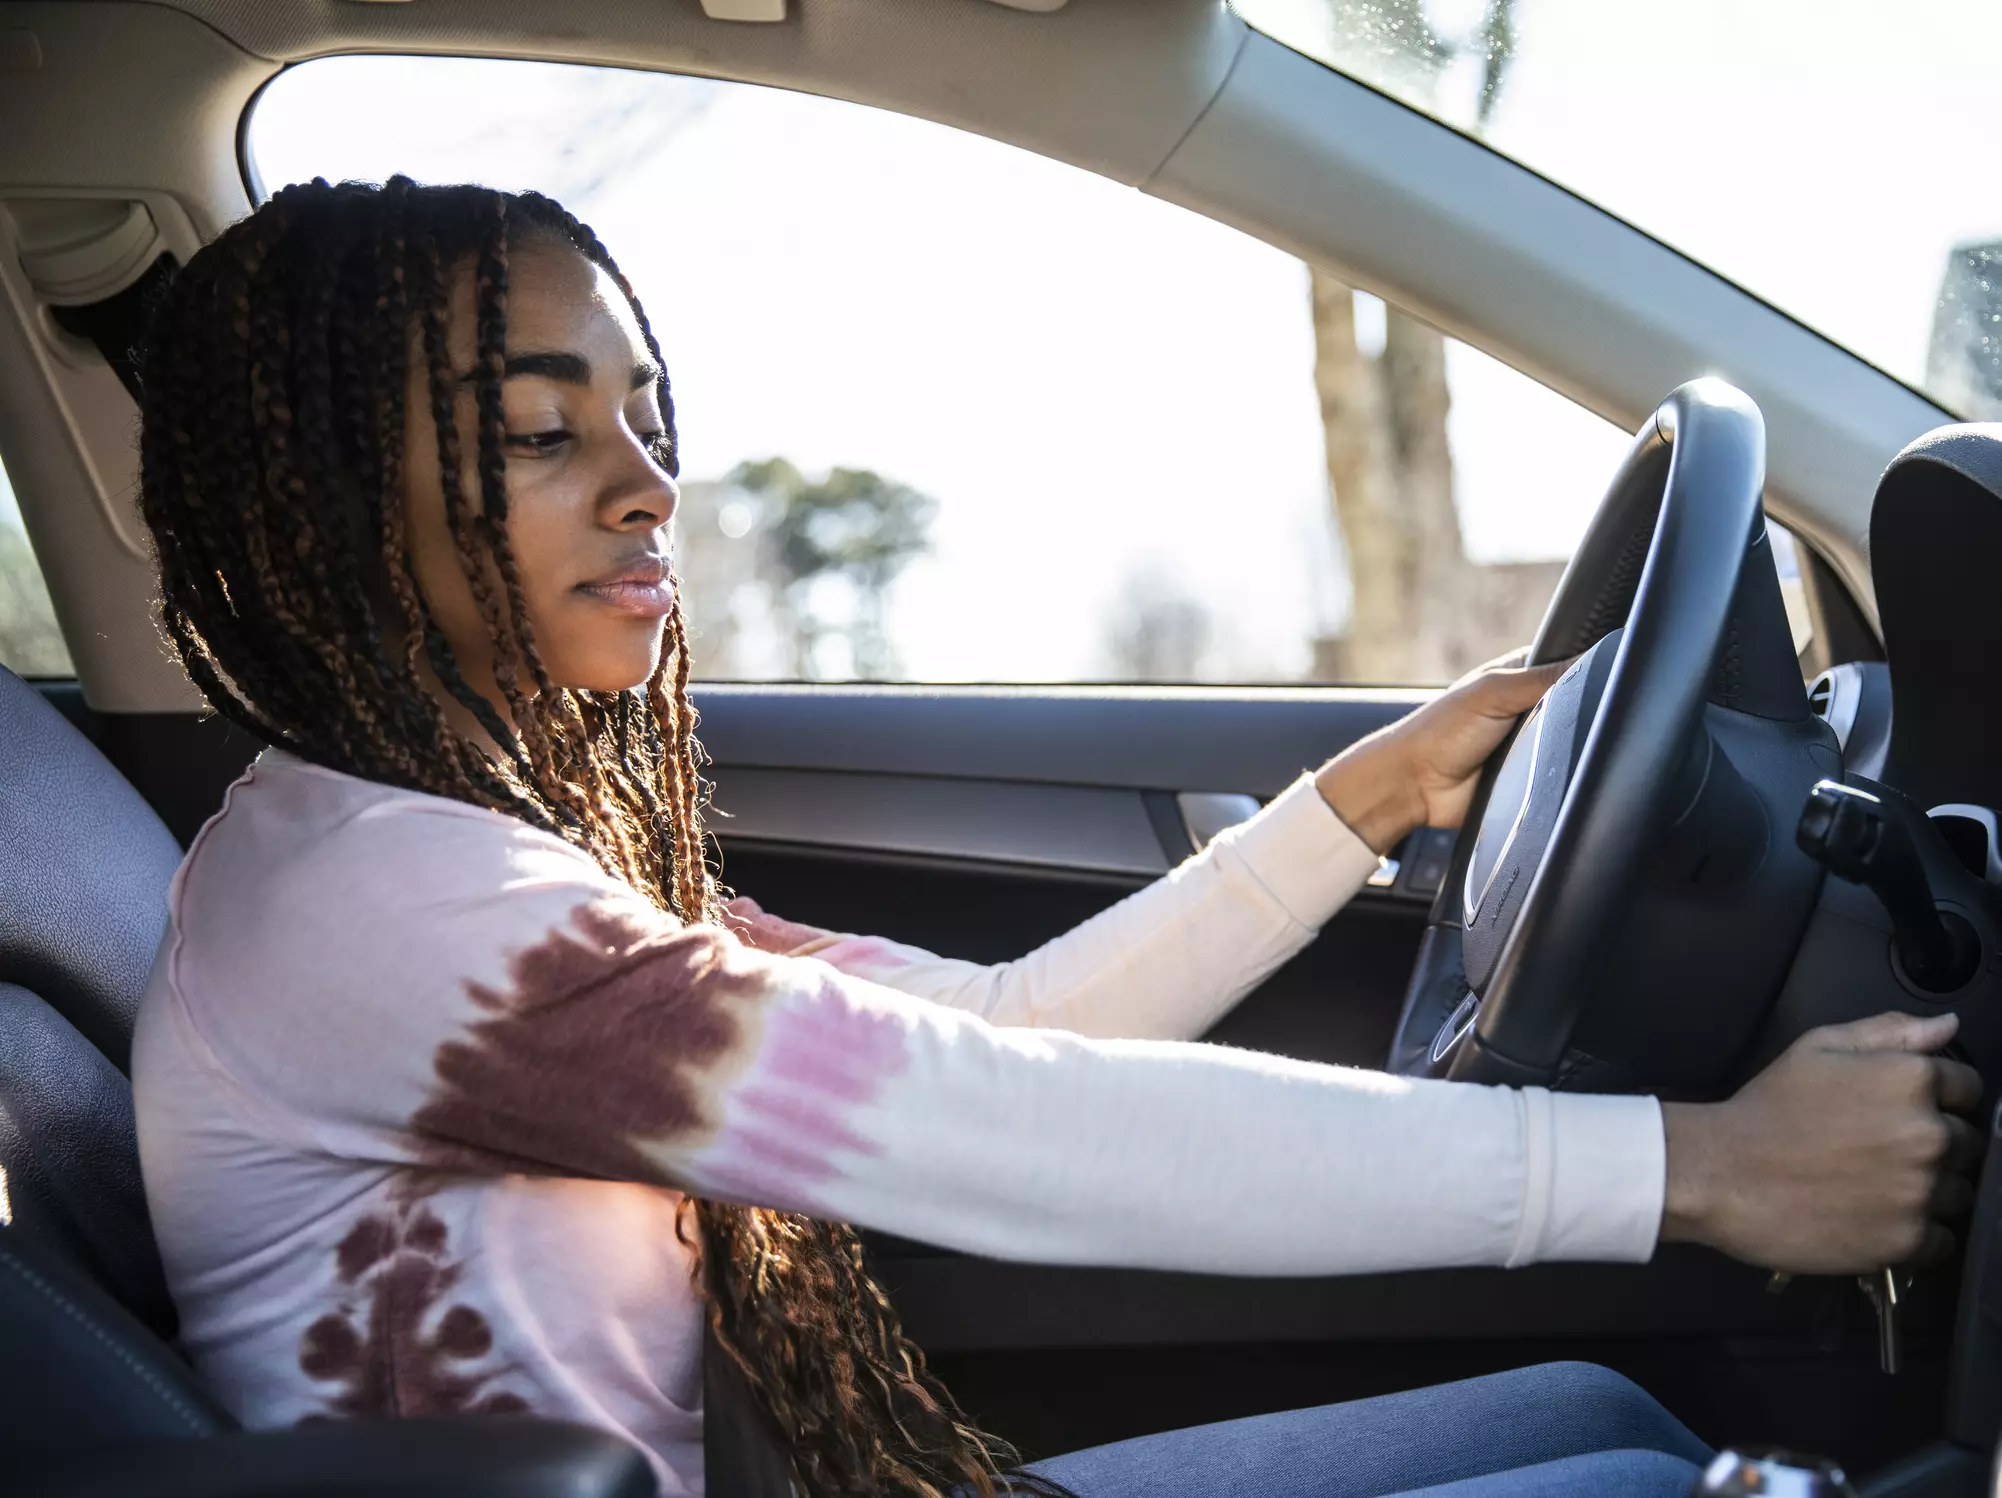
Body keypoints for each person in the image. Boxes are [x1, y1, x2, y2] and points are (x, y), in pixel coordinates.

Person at [129, 178, 1979, 1498]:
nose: (646, 479)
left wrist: (1361, 801)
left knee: (1604, 1418)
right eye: (540, 432)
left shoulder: (464, 849)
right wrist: (1695, 1169)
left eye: (647, 412)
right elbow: (1000, 1128)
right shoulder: (390, 906)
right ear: (323, 500)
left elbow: (995, 1026)